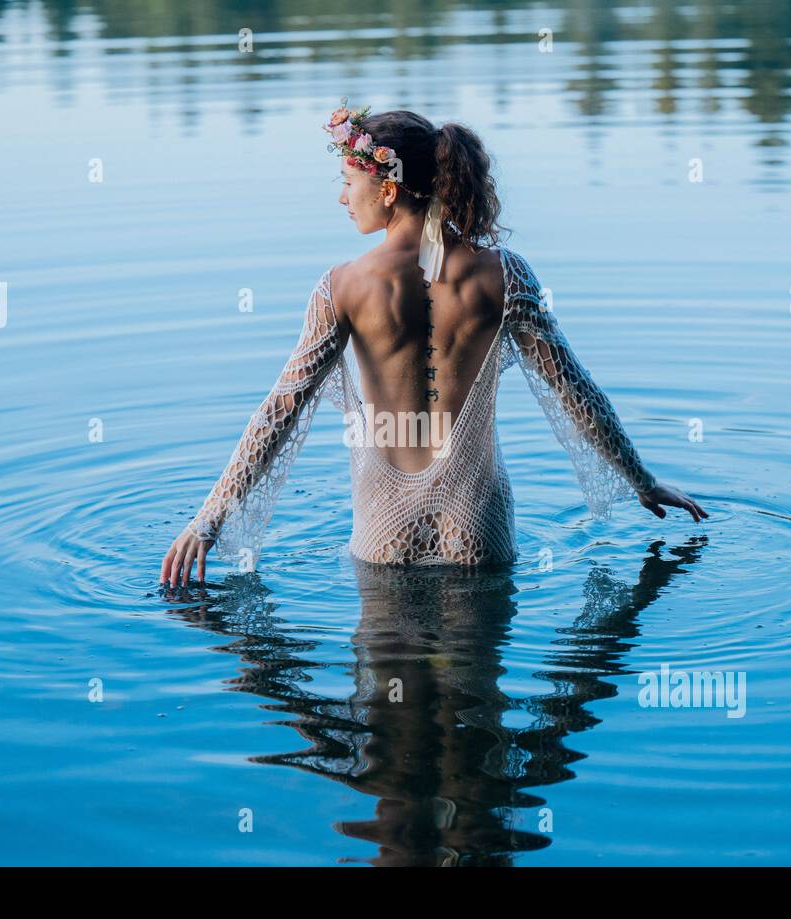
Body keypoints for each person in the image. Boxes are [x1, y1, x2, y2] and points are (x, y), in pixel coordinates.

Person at [160, 99, 706, 589]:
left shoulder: (344, 286)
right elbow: (574, 391)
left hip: (383, 532)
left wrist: (207, 522)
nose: (343, 197)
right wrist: (643, 480)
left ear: (388, 190)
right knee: (473, 696)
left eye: (349, 182)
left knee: (386, 701)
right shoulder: (504, 276)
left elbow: (280, 410)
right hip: (476, 525)